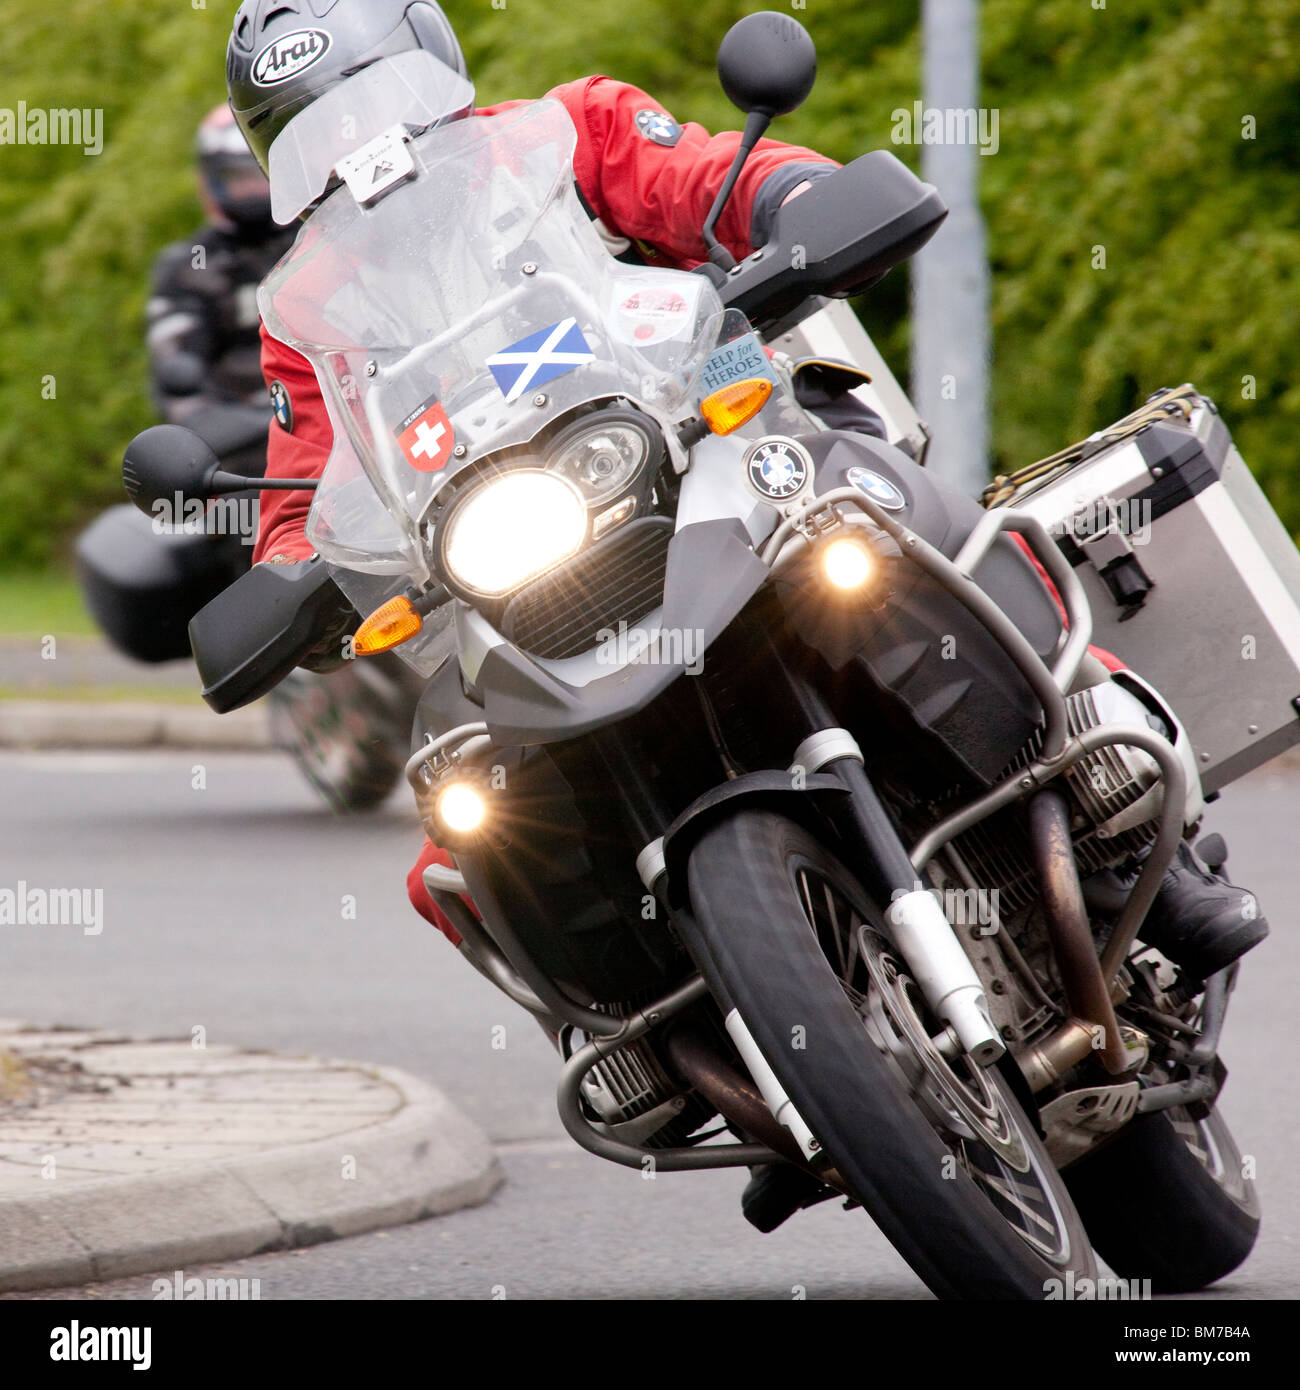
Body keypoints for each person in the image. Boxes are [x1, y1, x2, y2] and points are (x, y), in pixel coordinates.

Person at [227, 2, 1266, 1052]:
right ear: (280, 154)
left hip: (703, 426)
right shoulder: (308, 305)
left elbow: (704, 180)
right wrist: (285, 576)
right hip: (520, 555)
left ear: (434, 70)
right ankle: (645, 1034)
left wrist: (793, 197)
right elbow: (305, 479)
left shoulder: (561, 130)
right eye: (315, 129)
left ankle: (1131, 850)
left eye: (379, 100)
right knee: (462, 810)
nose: (361, 140)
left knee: (872, 501)